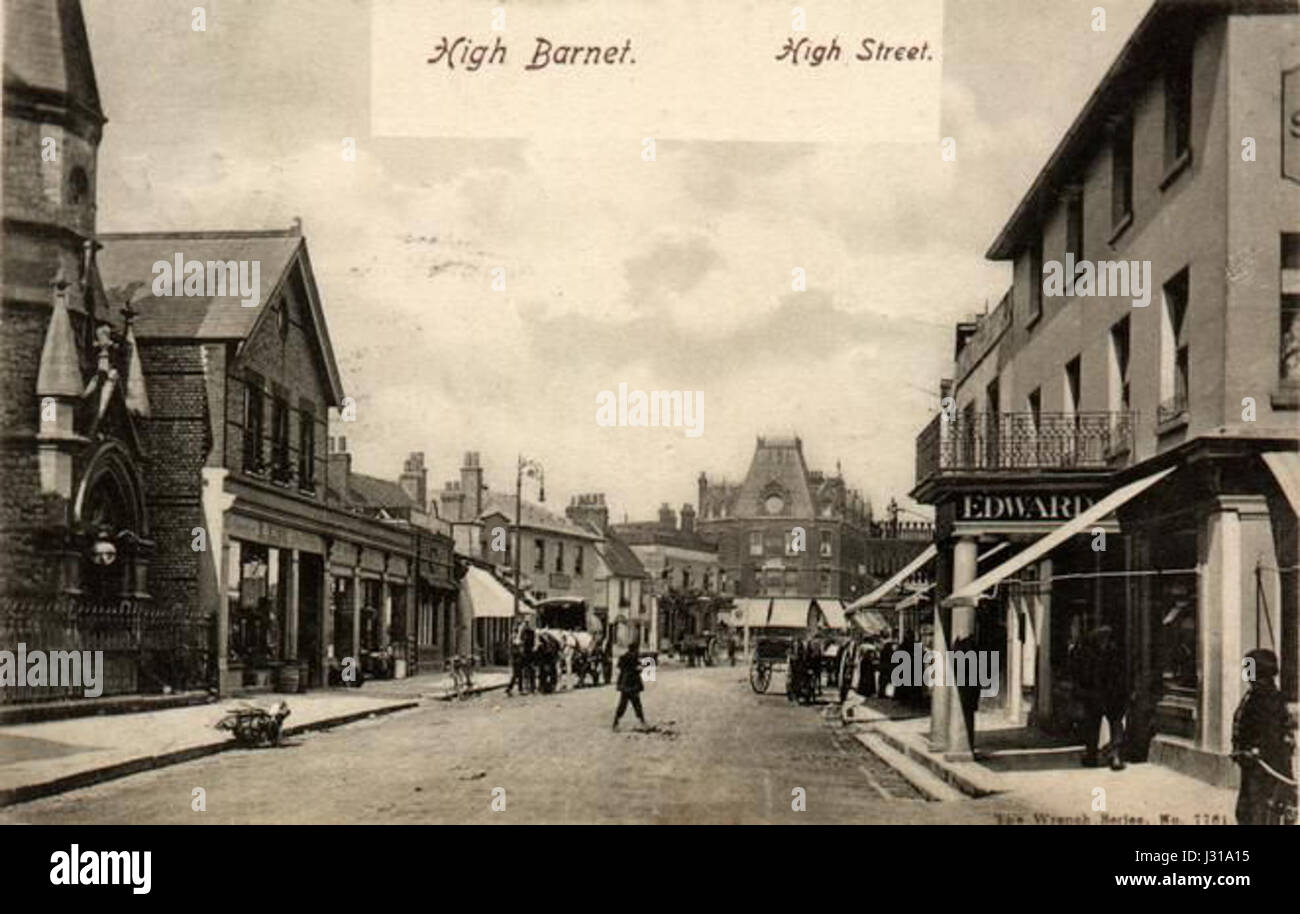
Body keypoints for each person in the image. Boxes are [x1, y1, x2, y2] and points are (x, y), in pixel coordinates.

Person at [1232, 648, 1296, 825]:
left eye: (1248, 667)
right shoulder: (1255, 695)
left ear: (1259, 670)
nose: (1244, 671)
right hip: (1253, 766)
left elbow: (1273, 734)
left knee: (1259, 812)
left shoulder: (1268, 698)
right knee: (1248, 810)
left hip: (1264, 768)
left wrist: (1255, 750)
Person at [1077, 625, 1127, 770]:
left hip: (1097, 695)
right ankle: (1114, 756)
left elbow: (1083, 675)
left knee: (1093, 726)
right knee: (1114, 724)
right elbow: (1121, 674)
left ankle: (1093, 755)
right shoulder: (1115, 653)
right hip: (1111, 695)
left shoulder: (1089, 654)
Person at [612, 640, 647, 730]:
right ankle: (643, 722)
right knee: (637, 704)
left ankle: (615, 722)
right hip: (632, 684)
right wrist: (640, 668)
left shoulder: (623, 657)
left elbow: (619, 666)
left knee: (622, 704)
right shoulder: (634, 657)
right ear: (635, 649)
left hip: (624, 683)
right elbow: (636, 668)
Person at [520, 618, 536, 694]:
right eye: (524, 623)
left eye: (526, 623)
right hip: (525, 654)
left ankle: (531, 687)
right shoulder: (522, 632)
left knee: (530, 671)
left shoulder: (531, 632)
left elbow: (533, 643)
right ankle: (526, 687)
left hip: (529, 654)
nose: (525, 625)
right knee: (525, 671)